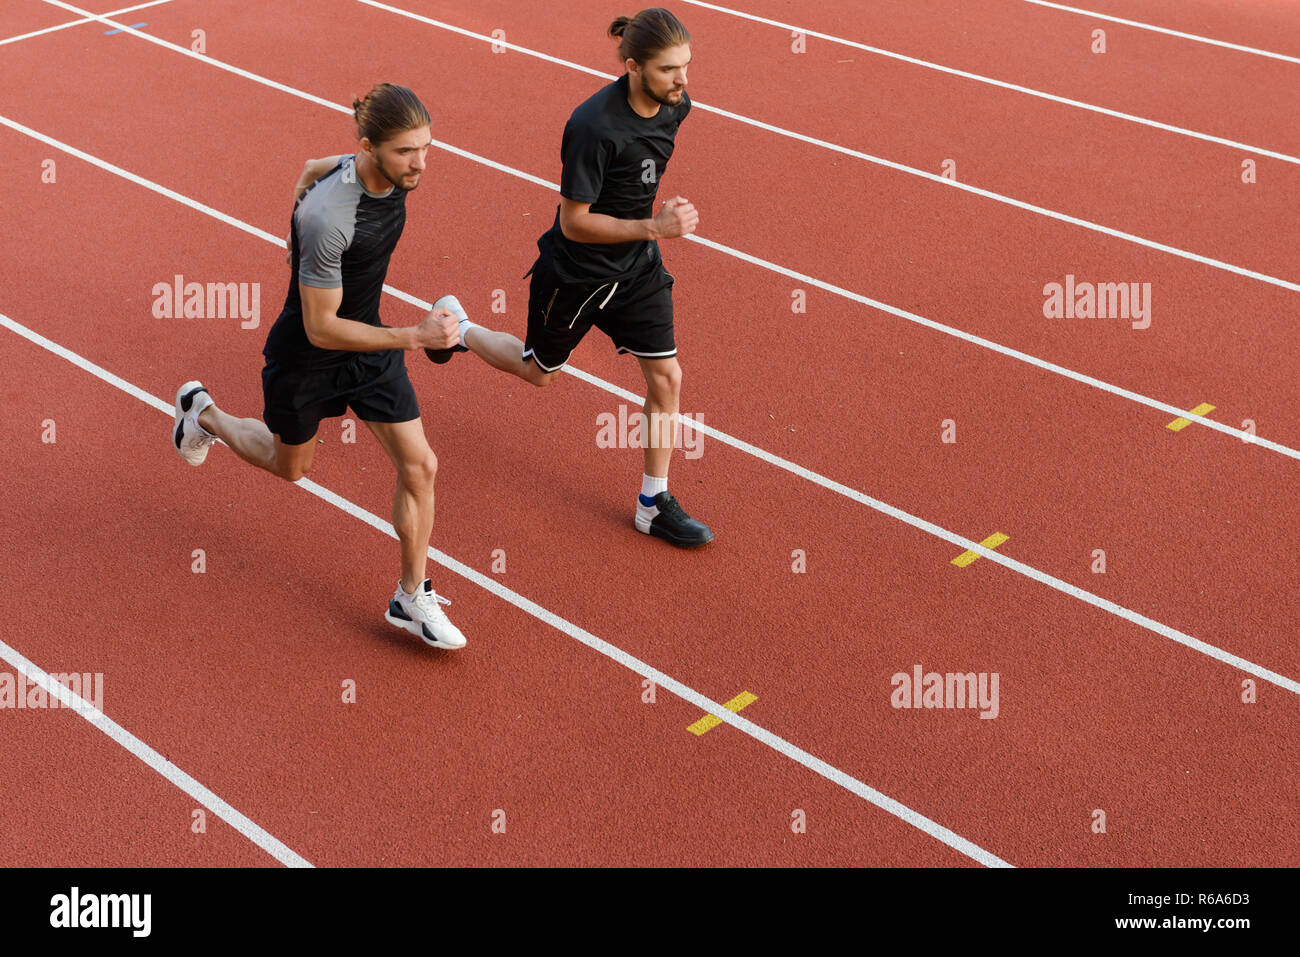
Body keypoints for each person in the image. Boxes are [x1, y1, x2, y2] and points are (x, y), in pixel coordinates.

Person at [171, 83, 470, 649]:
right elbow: (320, 327)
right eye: (407, 151)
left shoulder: (375, 169)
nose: (420, 164)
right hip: (309, 357)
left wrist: (294, 242)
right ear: (369, 147)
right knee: (291, 468)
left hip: (369, 347)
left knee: (420, 466)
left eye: (426, 148)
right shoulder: (329, 217)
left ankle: (411, 596)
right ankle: (202, 414)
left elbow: (311, 165)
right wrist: (414, 336)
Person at [449, 7, 714, 547]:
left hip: (637, 270)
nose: (683, 80)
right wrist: (656, 225)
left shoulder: (675, 106)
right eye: (669, 69)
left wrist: (648, 232)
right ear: (634, 66)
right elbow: (574, 222)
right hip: (576, 275)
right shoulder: (593, 126)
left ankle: (652, 501)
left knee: (668, 379)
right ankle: (458, 328)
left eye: (686, 65)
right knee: (539, 373)